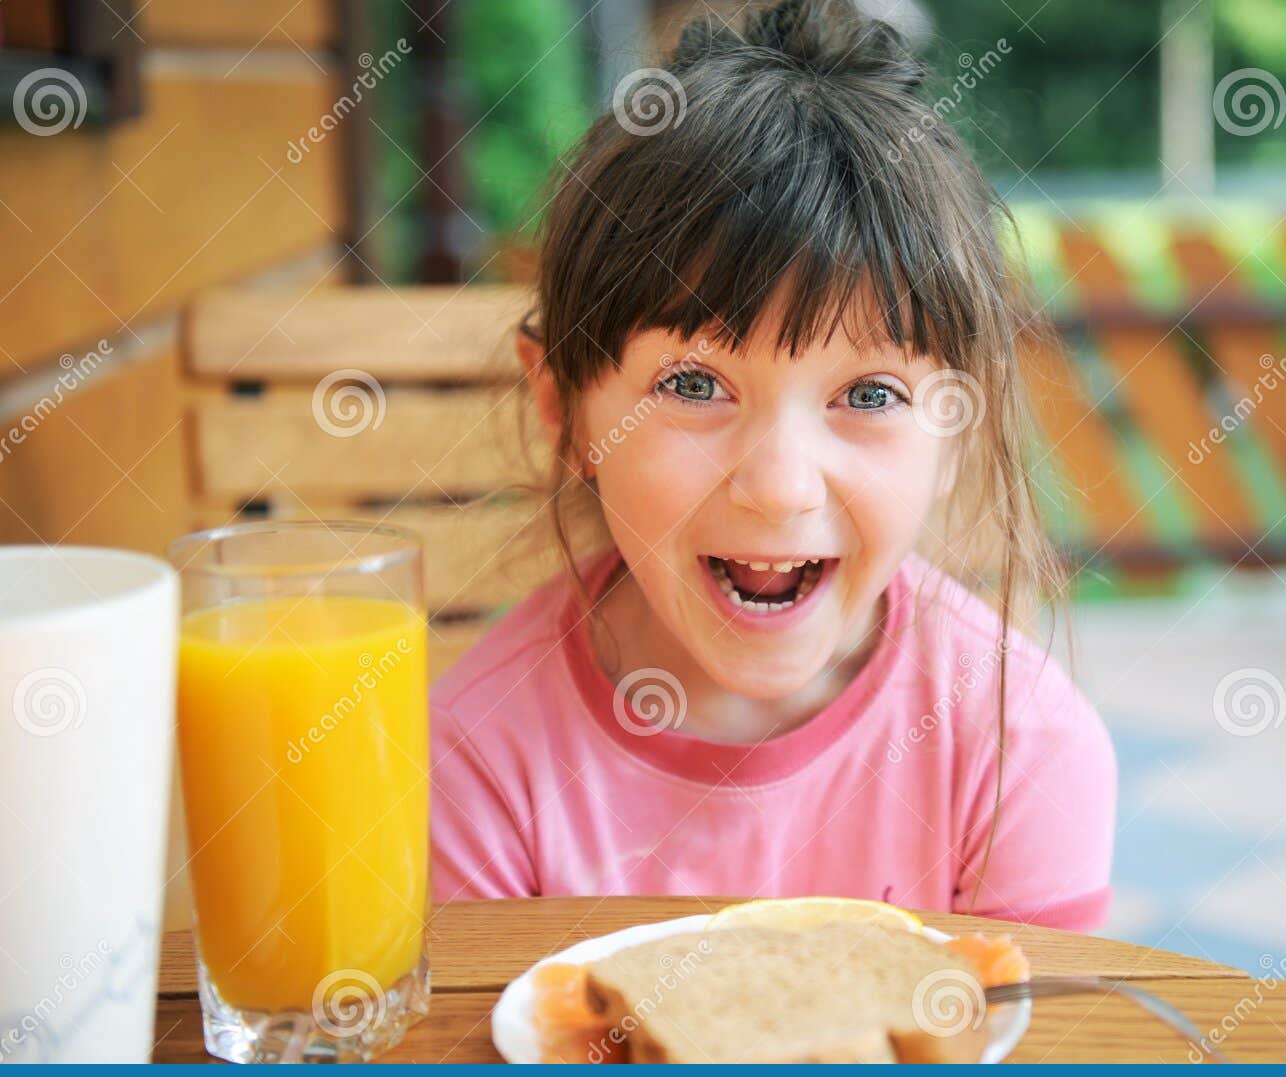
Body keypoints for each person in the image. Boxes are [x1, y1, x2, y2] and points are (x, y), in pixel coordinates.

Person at [430, 0, 1116, 930]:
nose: (783, 487)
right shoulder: (474, 762)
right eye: (695, 383)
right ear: (562, 407)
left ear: (955, 427)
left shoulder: (1020, 747)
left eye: (869, 395)